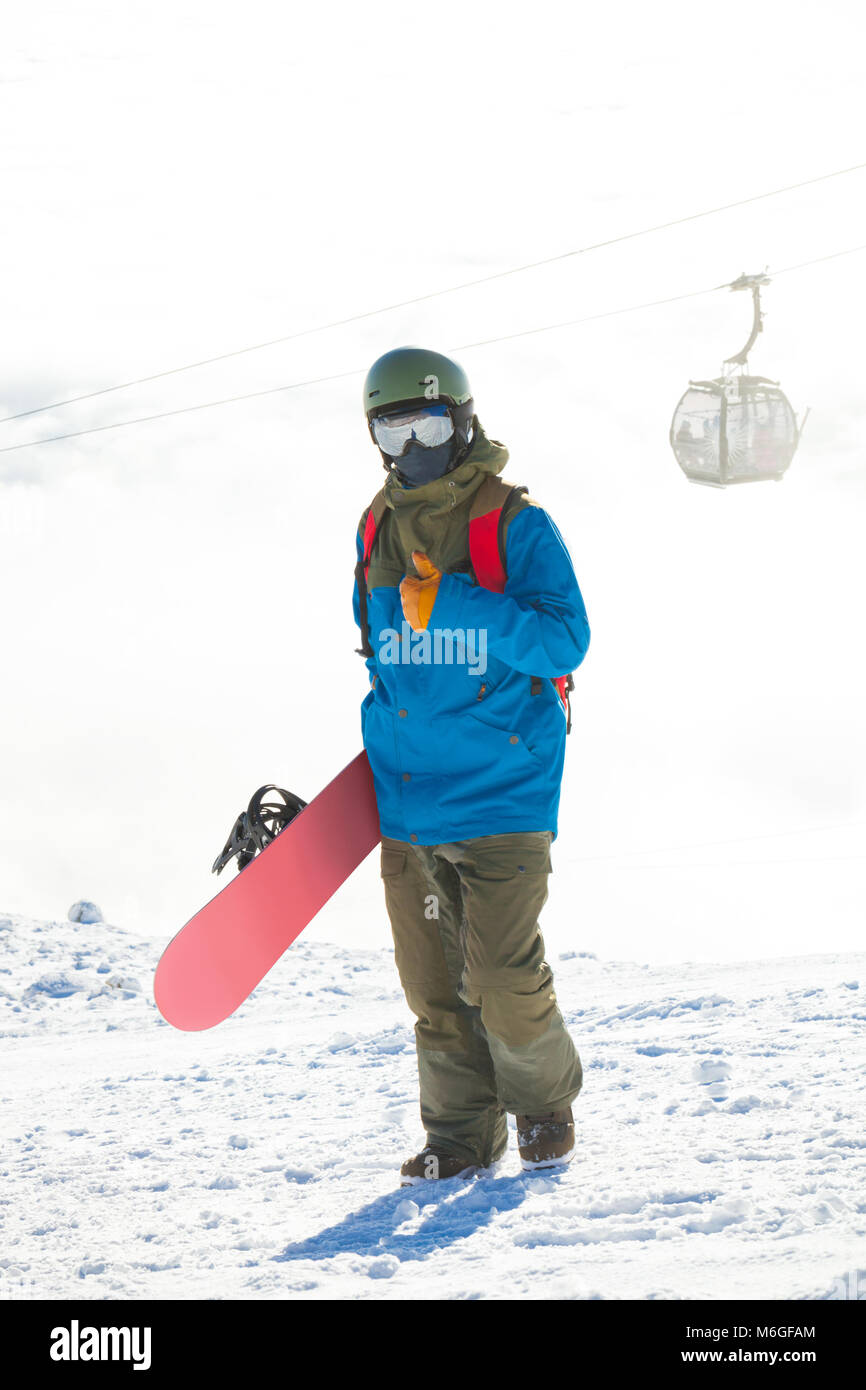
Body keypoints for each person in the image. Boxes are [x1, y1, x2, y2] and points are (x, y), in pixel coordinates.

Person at [353, 347, 591, 1185]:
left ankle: (543, 1105)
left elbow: (566, 639)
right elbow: (381, 658)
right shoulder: (374, 527)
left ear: (462, 419)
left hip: (503, 789)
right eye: (395, 424)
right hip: (411, 797)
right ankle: (458, 1137)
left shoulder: (513, 524)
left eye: (430, 421)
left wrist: (457, 602)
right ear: (376, 434)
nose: (415, 441)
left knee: (496, 970)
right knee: (434, 990)